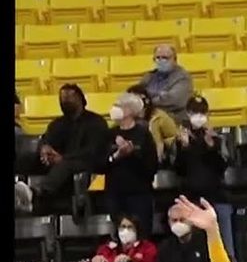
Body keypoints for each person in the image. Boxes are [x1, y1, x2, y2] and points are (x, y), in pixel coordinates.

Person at [17, 85, 108, 205]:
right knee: (26, 159)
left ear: (80, 99)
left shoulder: (96, 122)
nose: (65, 101)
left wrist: (63, 158)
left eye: (69, 97)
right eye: (62, 98)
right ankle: (18, 191)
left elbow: (93, 150)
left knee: (65, 165)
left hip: (87, 162)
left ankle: (36, 192)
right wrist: (45, 149)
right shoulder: (58, 123)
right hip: (58, 161)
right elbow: (46, 139)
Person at [175, 95, 237, 262]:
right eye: (195, 112)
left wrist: (212, 148)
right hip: (192, 201)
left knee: (226, 248)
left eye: (202, 112)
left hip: (217, 198)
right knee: (197, 250)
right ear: (188, 113)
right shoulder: (181, 140)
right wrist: (185, 148)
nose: (199, 116)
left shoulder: (217, 138)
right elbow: (178, 169)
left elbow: (224, 166)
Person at [99, 93, 159, 235]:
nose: (115, 108)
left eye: (119, 105)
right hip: (115, 194)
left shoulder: (143, 134)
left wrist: (132, 154)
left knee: (141, 234)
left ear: (130, 110)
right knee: (119, 234)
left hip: (139, 194)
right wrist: (116, 156)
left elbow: (152, 167)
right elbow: (99, 164)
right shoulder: (109, 134)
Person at [137, 44, 194, 121]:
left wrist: (148, 102)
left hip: (174, 120)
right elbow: (136, 96)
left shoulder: (183, 77)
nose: (161, 61)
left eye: (165, 58)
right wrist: (160, 96)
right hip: (149, 119)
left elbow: (175, 101)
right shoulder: (148, 76)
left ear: (175, 59)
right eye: (157, 58)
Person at [126, 84, 179, 160]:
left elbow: (174, 138)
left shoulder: (160, 117)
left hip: (158, 162)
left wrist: (163, 144)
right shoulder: (125, 120)